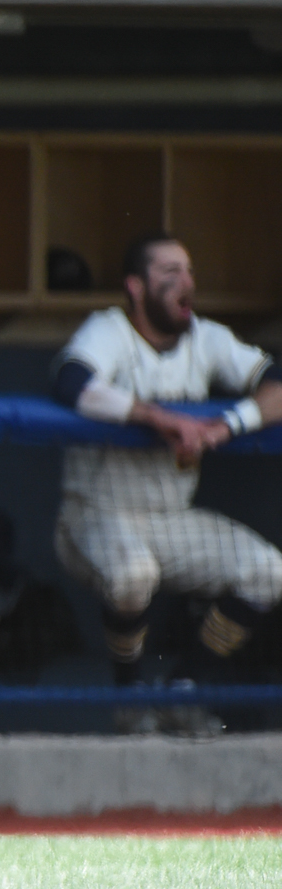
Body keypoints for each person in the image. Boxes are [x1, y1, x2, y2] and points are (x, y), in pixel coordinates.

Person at [50, 233, 282, 732]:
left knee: (269, 571)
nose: (185, 283)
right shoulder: (109, 331)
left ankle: (185, 689)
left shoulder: (207, 338)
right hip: (95, 514)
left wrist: (226, 426)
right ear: (136, 287)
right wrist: (156, 418)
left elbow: (277, 385)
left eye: (189, 271)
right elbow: (71, 382)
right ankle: (129, 695)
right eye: (169, 273)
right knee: (133, 575)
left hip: (171, 519)